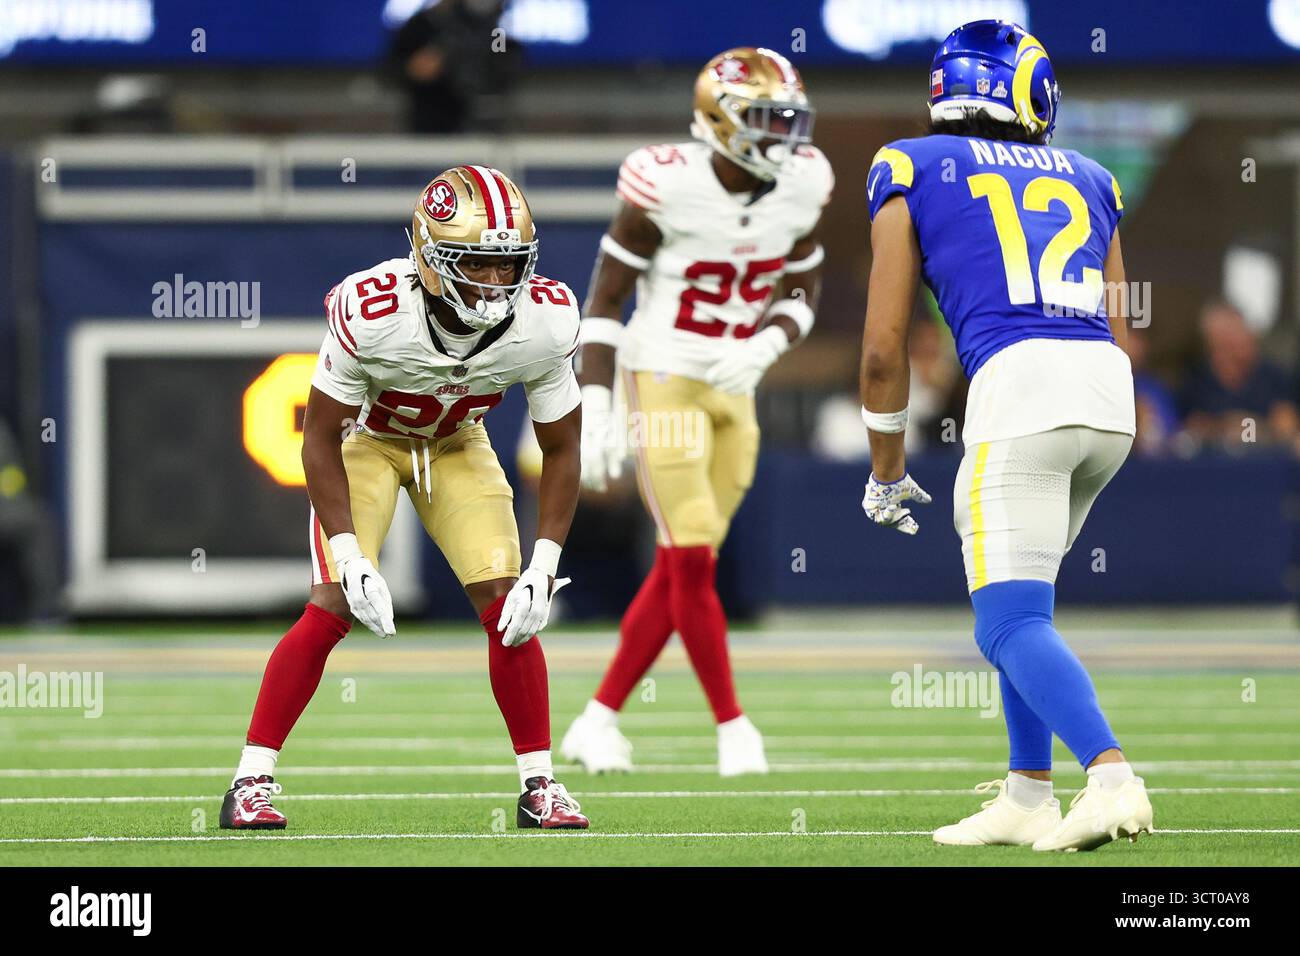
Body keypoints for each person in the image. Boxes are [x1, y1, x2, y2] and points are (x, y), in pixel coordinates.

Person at [220, 166, 589, 831]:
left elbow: (563, 448)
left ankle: (540, 786)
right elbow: (320, 437)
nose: (497, 282)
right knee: (332, 601)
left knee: (511, 606)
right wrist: (350, 554)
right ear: (430, 254)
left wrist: (545, 563)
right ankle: (250, 779)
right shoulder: (374, 311)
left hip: (458, 444)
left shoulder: (546, 320)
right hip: (368, 440)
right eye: (477, 262)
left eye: (510, 265)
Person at [859, 20, 1153, 851]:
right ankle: (1028, 793)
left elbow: (884, 345)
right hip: (1105, 391)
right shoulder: (1093, 176)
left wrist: (886, 467)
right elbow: (1123, 320)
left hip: (1021, 388)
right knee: (1030, 606)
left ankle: (1111, 776)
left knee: (1004, 626)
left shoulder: (911, 163)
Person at [560, 47, 832, 775]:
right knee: (689, 554)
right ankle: (734, 728)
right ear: (718, 120)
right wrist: (596, 398)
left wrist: (770, 342)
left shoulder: (804, 182)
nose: (782, 137)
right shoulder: (665, 185)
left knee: (691, 561)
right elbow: (608, 299)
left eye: (787, 120)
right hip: (664, 372)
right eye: (764, 120)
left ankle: (595, 721)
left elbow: (804, 287)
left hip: (735, 382)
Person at [386, 0, 521, 134]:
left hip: (487, 117)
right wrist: (413, 68)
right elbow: (393, 68)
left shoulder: (496, 28)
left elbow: (505, 61)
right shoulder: (424, 23)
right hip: (432, 120)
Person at [1180, 300, 1297, 450]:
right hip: (1213, 467)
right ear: (1213, 342)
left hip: (1265, 465)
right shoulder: (1196, 382)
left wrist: (1247, 426)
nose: (1241, 339)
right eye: (1229, 335)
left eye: (1241, 330)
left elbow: (1286, 426)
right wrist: (1223, 426)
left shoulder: (1275, 377)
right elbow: (1190, 429)